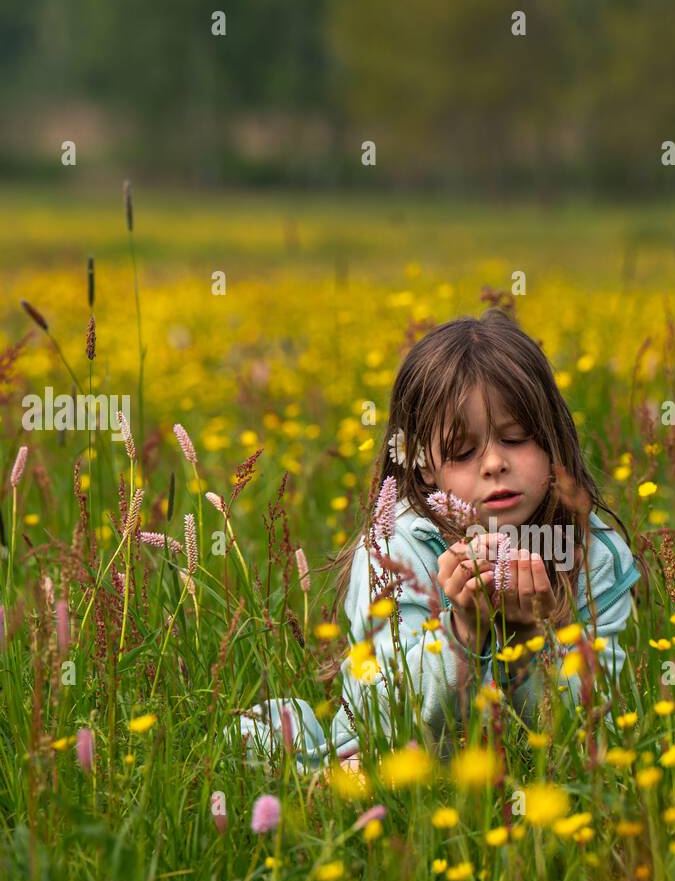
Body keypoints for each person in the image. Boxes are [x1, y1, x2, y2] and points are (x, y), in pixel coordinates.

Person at [231, 307, 643, 773]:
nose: (494, 464)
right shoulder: (394, 548)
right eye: (462, 451)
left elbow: (589, 732)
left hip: (528, 766)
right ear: (423, 465)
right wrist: (463, 632)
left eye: (516, 438)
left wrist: (533, 638)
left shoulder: (592, 555)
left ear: (552, 439)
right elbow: (387, 714)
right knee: (257, 739)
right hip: (402, 754)